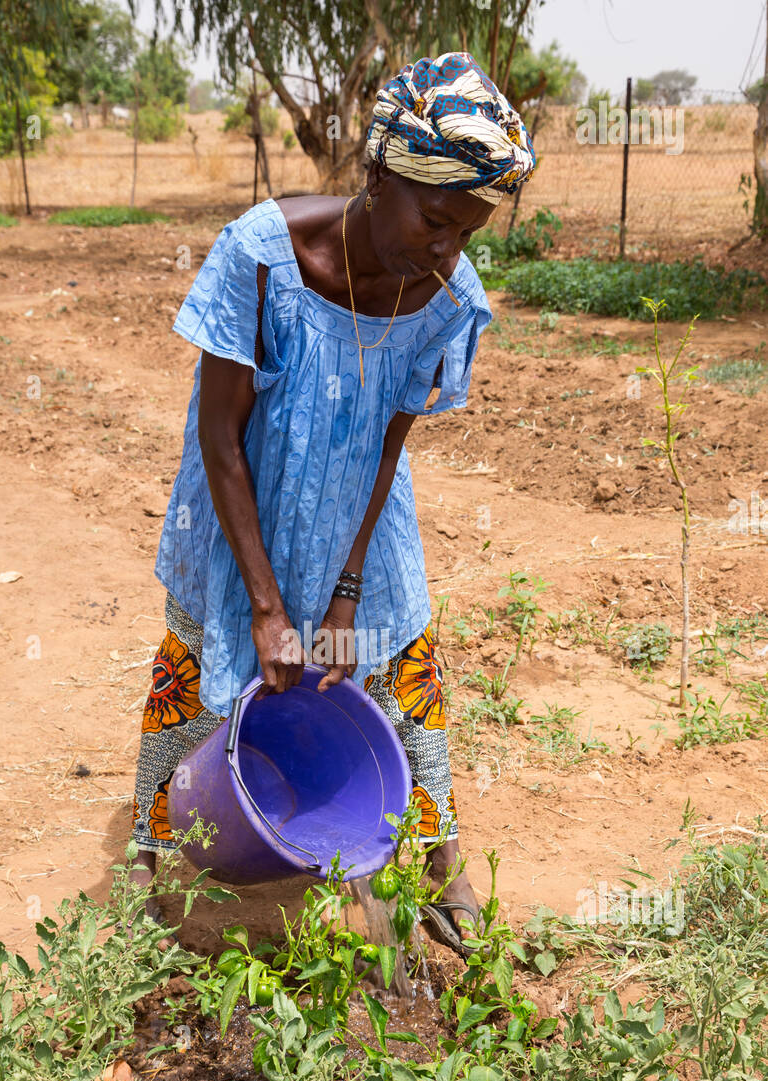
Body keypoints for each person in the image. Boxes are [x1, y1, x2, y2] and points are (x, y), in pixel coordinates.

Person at [129, 52, 536, 955]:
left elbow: (392, 441)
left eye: (467, 232)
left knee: (400, 667)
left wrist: (348, 588)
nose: (446, 249)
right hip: (244, 499)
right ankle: (148, 861)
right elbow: (220, 437)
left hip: (364, 512)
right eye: (435, 220)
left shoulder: (444, 297)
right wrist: (271, 606)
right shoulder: (262, 260)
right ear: (379, 174)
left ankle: (440, 863)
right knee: (199, 661)